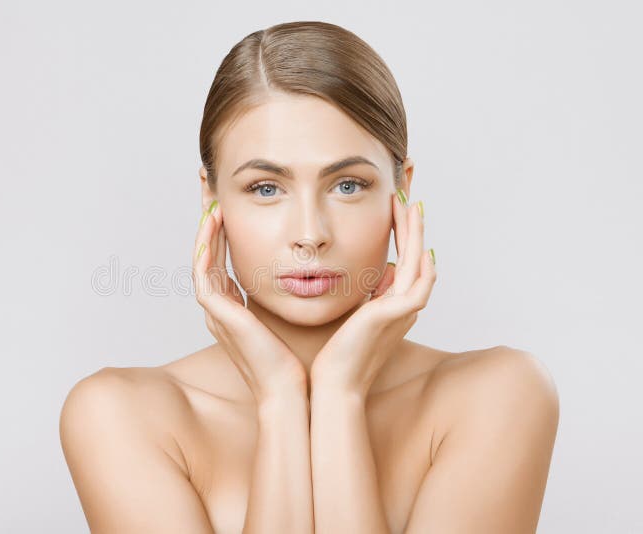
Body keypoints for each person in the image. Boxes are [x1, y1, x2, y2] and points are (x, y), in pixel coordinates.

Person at [60, 20, 560, 534]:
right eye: (265, 188)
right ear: (212, 200)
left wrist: (339, 394)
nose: (309, 234)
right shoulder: (120, 416)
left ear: (400, 192)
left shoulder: (499, 396)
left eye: (347, 184)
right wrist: (280, 398)